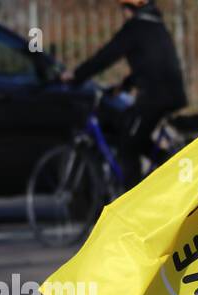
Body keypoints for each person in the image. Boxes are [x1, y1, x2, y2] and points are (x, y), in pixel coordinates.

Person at [62, 0, 187, 188]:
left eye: (124, 8)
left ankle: (135, 201)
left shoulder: (135, 28)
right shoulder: (155, 25)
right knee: (133, 132)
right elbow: (150, 65)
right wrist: (123, 86)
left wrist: (76, 75)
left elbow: (106, 56)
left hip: (155, 98)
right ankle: (167, 162)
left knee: (127, 146)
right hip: (169, 94)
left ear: (130, 8)